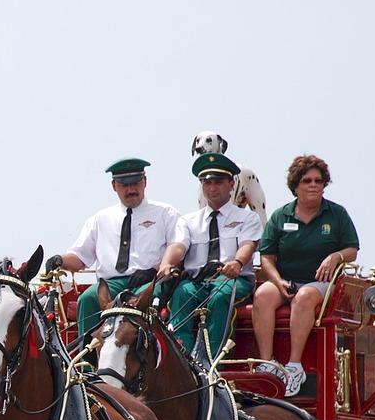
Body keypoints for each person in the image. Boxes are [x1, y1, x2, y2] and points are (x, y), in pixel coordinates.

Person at [252, 154, 359, 396]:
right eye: (307, 180)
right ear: (296, 186)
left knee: (303, 299)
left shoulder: (336, 214)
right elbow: (266, 256)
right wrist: (277, 281)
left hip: (319, 283)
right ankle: (268, 364)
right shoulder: (281, 216)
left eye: (318, 181)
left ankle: (294, 366)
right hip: (286, 279)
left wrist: (335, 257)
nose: (313, 185)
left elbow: (352, 249)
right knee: (261, 296)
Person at [47, 157, 180, 338]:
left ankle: (149, 360)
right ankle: (86, 363)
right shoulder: (100, 219)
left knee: (144, 299)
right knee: (88, 299)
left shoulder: (165, 213)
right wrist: (60, 260)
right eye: (124, 185)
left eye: (135, 183)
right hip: (111, 283)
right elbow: (79, 257)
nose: (131, 189)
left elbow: (178, 247)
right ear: (114, 186)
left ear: (145, 182)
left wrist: (155, 270)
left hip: (150, 281)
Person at [161, 153, 261, 362]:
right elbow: (178, 246)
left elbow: (247, 245)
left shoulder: (247, 217)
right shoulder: (188, 221)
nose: (212, 188)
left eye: (218, 182)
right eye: (207, 183)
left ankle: (211, 363)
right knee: (181, 294)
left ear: (231, 184)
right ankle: (184, 363)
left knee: (220, 297)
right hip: (197, 281)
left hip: (233, 279)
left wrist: (237, 262)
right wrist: (167, 264)